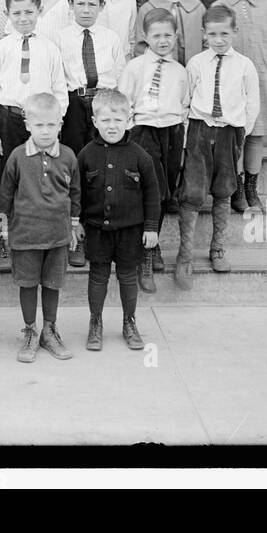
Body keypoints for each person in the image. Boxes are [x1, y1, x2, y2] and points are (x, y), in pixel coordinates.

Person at [0, 91, 81, 363]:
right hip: (26, 234)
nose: (45, 131)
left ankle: (50, 330)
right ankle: (31, 331)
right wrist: (3, 222)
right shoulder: (17, 157)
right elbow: (6, 192)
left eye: (51, 125)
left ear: (60, 124)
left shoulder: (68, 156)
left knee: (53, 284)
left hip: (57, 235)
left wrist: (74, 225)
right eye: (39, 125)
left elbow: (75, 193)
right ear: (27, 125)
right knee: (28, 284)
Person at [180, 3, 259, 284]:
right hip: (200, 130)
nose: (219, 40)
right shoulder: (196, 63)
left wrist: (240, 134)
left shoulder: (244, 66)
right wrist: (189, 133)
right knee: (191, 192)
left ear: (234, 32)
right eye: (213, 34)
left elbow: (252, 104)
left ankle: (218, 248)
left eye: (225, 33)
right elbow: (186, 98)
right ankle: (185, 254)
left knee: (224, 190)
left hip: (229, 132)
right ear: (204, 34)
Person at [78, 89, 161, 351]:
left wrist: (150, 227)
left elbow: (152, 195)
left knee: (127, 276)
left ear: (129, 120)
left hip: (130, 231)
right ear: (94, 121)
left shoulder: (140, 156)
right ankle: (95, 322)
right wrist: (76, 222)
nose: (111, 126)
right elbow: (77, 192)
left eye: (117, 120)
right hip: (96, 230)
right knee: (98, 275)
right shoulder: (86, 154)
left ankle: (129, 321)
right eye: (105, 121)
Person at [118, 7, 188, 290]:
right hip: (144, 132)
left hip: (170, 132)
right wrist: (130, 134)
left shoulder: (180, 71)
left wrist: (179, 136)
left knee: (165, 190)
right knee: (152, 192)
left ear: (175, 36)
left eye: (168, 35)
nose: (162, 41)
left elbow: (184, 106)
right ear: (145, 37)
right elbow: (124, 101)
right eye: (156, 36)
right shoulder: (135, 67)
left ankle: (153, 243)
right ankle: (145, 253)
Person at [217, 0, 267, 213]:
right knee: (237, 136)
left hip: (262, 80)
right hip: (231, 83)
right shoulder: (219, 8)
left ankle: (251, 187)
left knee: (256, 135)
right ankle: (235, 186)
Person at [0, 0, 69, 168]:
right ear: (7, 14)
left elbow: (60, 90)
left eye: (29, 12)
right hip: (8, 121)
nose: (23, 18)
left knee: (39, 172)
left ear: (40, 10)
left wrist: (56, 124)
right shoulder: (0, 49)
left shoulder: (50, 48)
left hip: (41, 121)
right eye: (16, 13)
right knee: (9, 172)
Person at [56, 0, 126, 159]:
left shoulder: (111, 38)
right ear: (70, 4)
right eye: (80, 3)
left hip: (104, 101)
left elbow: (119, 74)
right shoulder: (60, 38)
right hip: (75, 103)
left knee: (103, 152)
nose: (86, 10)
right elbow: (58, 78)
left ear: (102, 5)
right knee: (75, 152)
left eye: (92, 4)